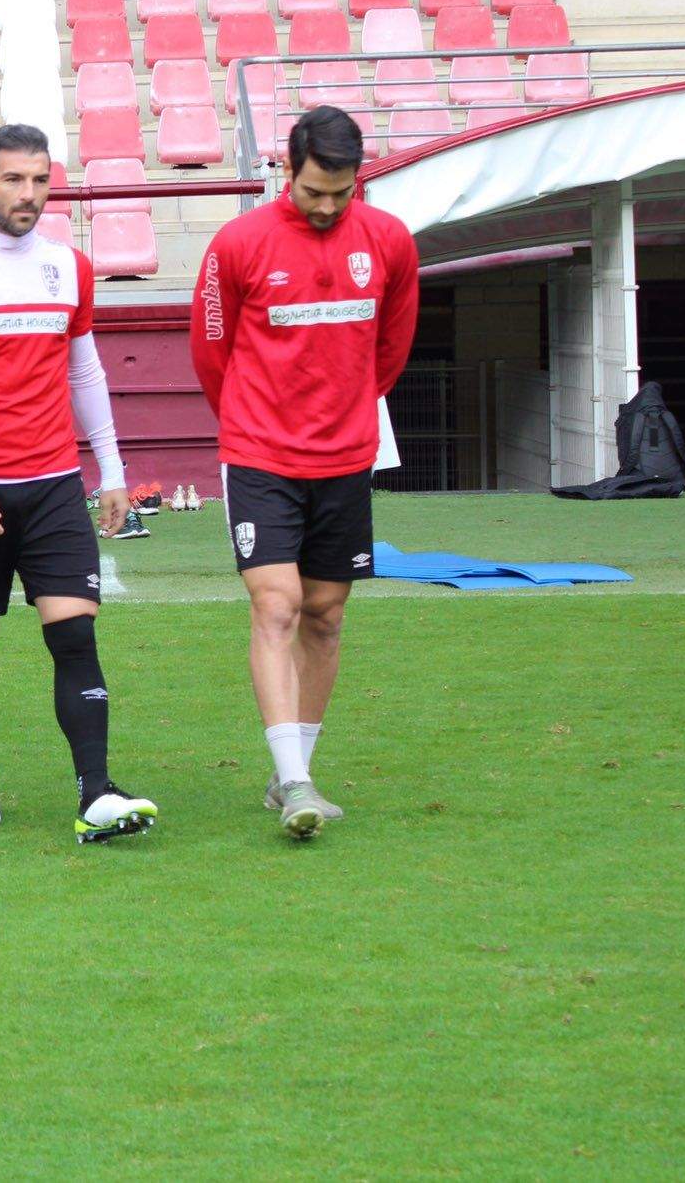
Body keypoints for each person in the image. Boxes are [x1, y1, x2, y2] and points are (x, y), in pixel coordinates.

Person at [0, 125, 158, 842]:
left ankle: (97, 791)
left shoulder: (69, 267)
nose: (28, 194)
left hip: (55, 486)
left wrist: (112, 471)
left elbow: (85, 371)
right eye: (13, 179)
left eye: (39, 180)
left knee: (75, 634)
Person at [191, 106, 419, 839]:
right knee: (278, 606)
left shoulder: (389, 241)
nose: (326, 206)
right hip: (260, 454)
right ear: (286, 170)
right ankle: (294, 781)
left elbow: (392, 346)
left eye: (341, 193)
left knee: (325, 614)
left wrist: (347, 409)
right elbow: (211, 350)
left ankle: (295, 771)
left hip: (345, 457)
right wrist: (253, 419)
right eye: (315, 191)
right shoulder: (238, 243)